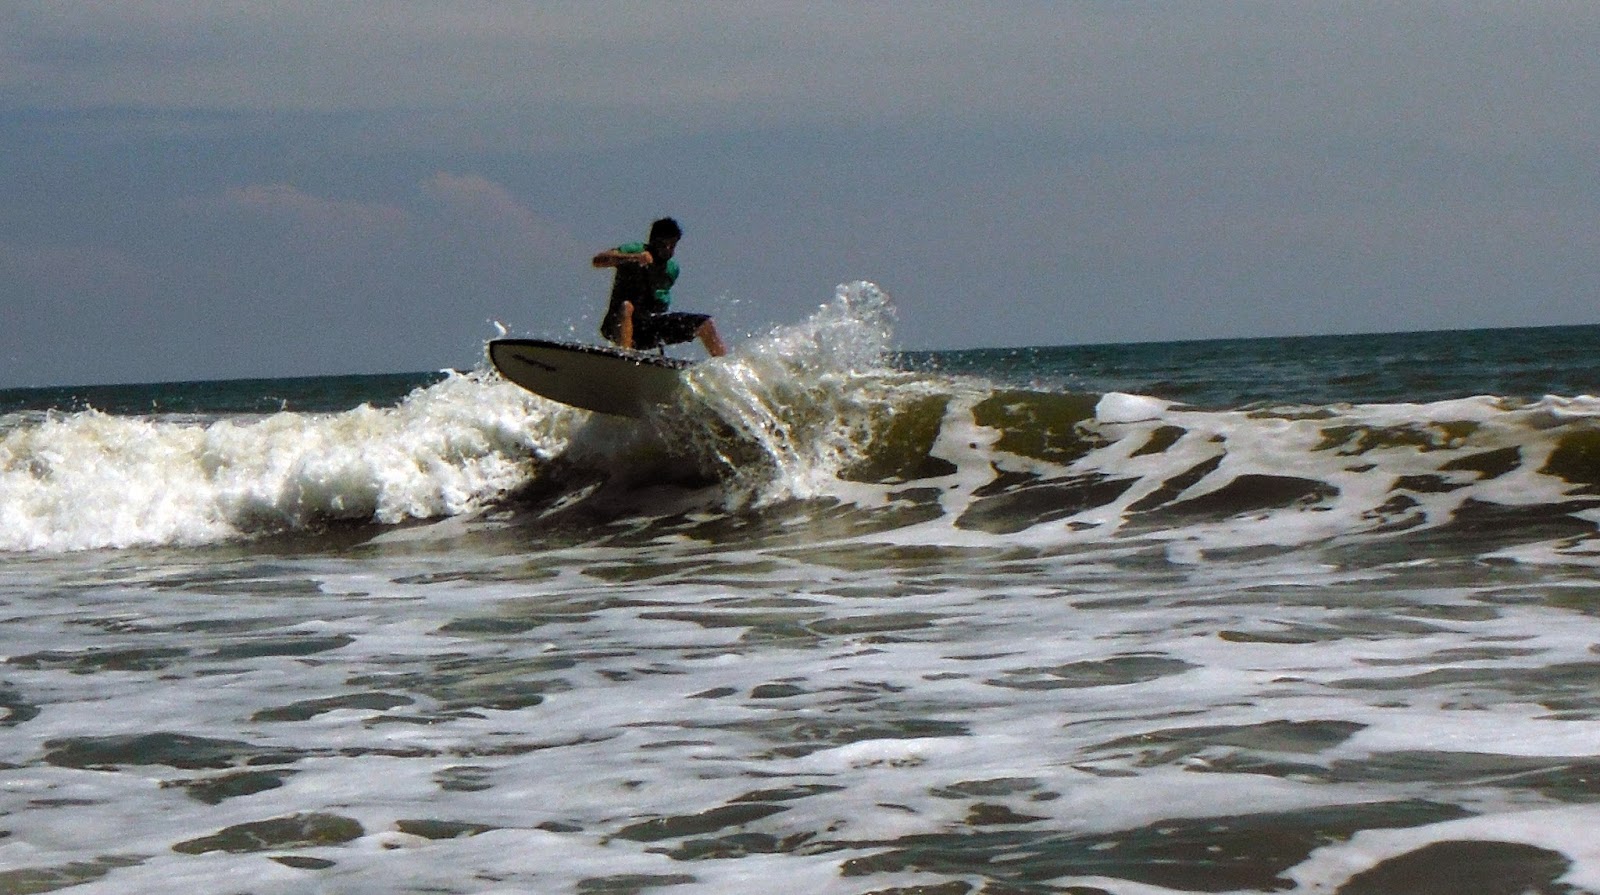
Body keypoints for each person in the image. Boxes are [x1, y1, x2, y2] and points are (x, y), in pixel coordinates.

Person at [593, 217, 727, 357]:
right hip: (616, 324)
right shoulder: (636, 250)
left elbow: (661, 304)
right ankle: (625, 357)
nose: (667, 250)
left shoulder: (671, 269)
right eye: (663, 245)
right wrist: (633, 258)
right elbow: (598, 261)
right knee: (627, 306)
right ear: (653, 242)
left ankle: (724, 369)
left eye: (672, 246)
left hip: (646, 328)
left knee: (706, 324)